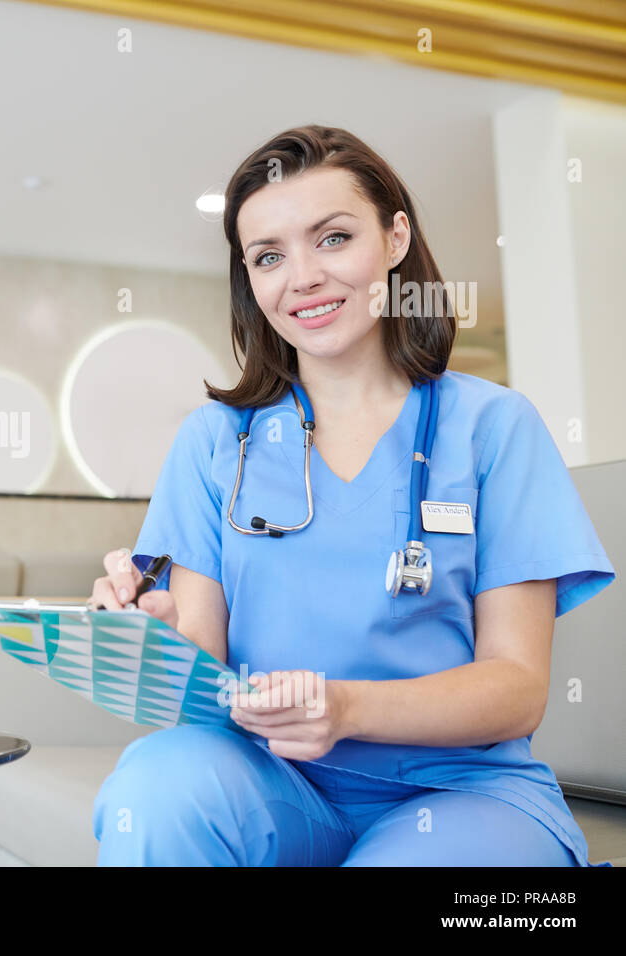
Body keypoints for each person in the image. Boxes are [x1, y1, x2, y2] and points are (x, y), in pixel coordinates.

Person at [89, 125, 616, 867]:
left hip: (460, 791)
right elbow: (198, 676)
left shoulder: (494, 428)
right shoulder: (214, 441)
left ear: (395, 237)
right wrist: (150, 633)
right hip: (270, 779)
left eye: (332, 238)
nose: (301, 277)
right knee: (154, 790)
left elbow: (517, 688)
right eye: (268, 257)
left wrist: (345, 708)